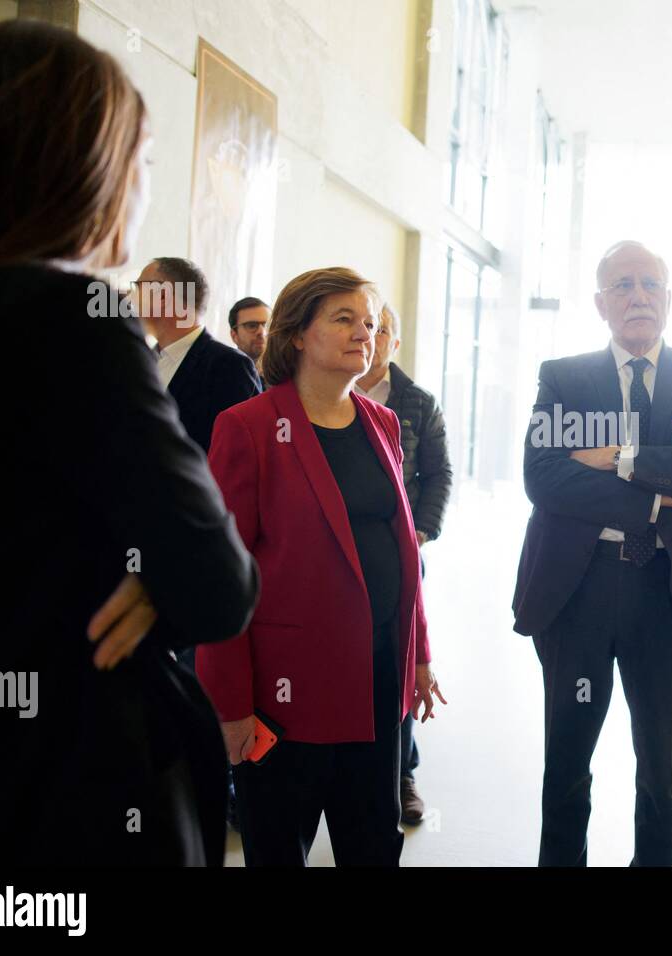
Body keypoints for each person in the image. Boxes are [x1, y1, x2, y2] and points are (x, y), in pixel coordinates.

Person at [0, 20, 259, 865]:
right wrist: (163, 573)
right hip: (56, 788)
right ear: (84, 161)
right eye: (143, 159)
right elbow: (217, 583)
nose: (143, 187)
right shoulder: (71, 320)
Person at [513, 240, 672, 866]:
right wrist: (653, 501)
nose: (638, 295)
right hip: (579, 589)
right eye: (623, 285)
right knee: (567, 755)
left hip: (671, 594)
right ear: (600, 303)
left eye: (650, 284)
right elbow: (543, 477)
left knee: (661, 761)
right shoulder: (563, 377)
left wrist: (623, 459)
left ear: (669, 300)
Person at [197, 267, 446, 867]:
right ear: (298, 334)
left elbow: (401, 553)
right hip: (285, 697)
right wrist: (229, 706)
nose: (364, 332)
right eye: (343, 318)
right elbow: (218, 578)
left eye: (369, 321)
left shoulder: (381, 423)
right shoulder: (248, 428)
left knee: (372, 846)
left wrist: (419, 653)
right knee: (280, 850)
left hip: (376, 685)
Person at [355, 302, 453, 825]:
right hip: (338, 557)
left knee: (400, 658)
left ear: (393, 342)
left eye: (381, 328)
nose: (370, 336)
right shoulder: (326, 391)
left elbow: (439, 474)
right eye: (363, 325)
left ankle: (401, 774)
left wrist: (422, 530)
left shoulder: (416, 402)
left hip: (399, 553)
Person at [134, 257, 262, 454]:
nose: (132, 297)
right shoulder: (142, 361)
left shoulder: (229, 366)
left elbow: (236, 455)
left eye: (138, 286)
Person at [228, 295, 270, 376]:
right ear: (234, 336)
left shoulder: (289, 373)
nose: (262, 332)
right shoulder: (223, 374)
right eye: (252, 326)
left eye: (267, 325)